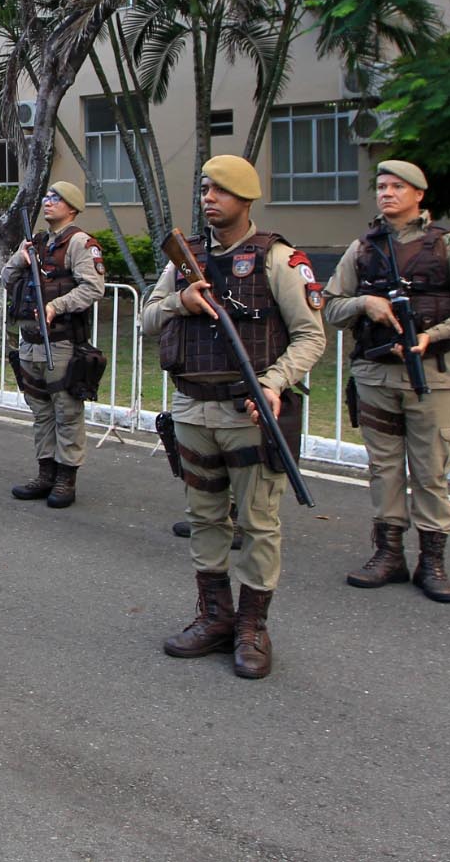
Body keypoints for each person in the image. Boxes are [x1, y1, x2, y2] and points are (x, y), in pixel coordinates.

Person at [141, 155, 326, 680]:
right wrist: (181, 299)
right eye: (204, 189)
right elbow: (147, 320)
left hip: (248, 411)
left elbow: (312, 336)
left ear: (246, 197)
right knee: (204, 517)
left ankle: (251, 626)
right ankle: (215, 617)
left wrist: (273, 381)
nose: (209, 198)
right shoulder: (185, 259)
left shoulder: (278, 259)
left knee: (259, 524)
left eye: (220, 190)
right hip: (192, 408)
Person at [323, 160, 450, 603]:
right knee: (382, 469)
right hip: (375, 374)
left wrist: (431, 335)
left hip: (430, 378)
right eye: (381, 186)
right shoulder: (363, 248)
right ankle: (388, 554)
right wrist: (365, 303)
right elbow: (329, 305)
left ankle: (432, 561)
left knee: (430, 470)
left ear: (419, 194)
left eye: (397, 186)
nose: (386, 194)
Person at [2, 181, 105, 508]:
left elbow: (93, 288)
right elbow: (6, 277)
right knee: (41, 411)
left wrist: (55, 306)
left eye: (56, 198)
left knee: (66, 410)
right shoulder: (36, 242)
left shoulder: (79, 243)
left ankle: (66, 477)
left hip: (60, 342)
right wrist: (21, 258)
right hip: (30, 342)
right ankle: (45, 473)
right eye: (47, 197)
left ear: (71, 207)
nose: (48, 202)